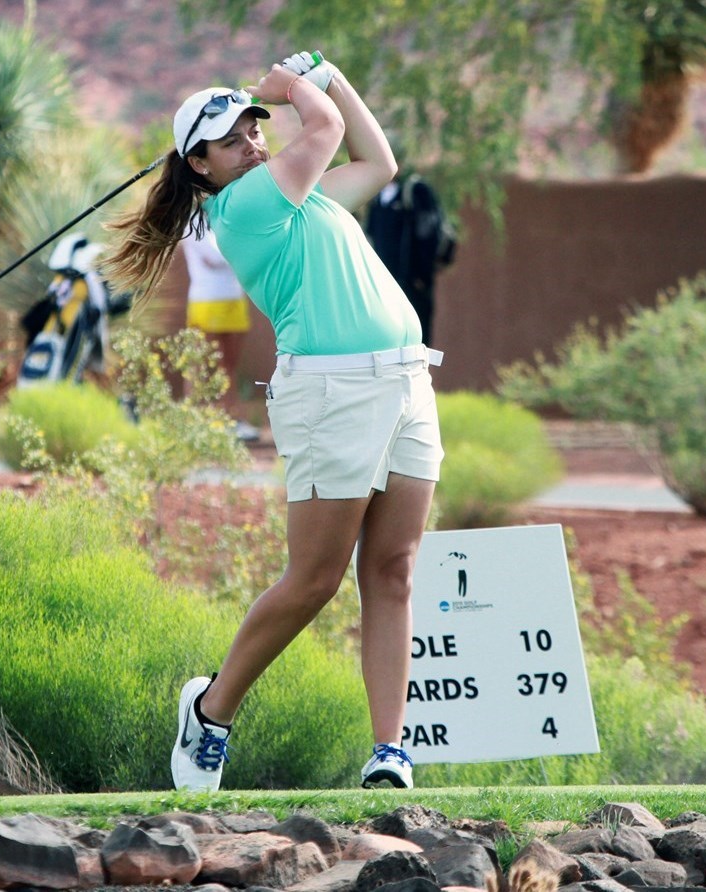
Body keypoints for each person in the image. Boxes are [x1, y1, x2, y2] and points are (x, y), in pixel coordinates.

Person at [101, 50, 443, 792]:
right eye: (232, 139)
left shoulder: (300, 196)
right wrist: (291, 87)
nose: (253, 141)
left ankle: (390, 750)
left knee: (393, 570)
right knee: (315, 579)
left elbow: (376, 160)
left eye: (254, 127)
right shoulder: (247, 206)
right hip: (331, 395)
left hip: (407, 381)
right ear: (200, 166)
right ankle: (213, 709)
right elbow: (319, 130)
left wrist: (333, 73)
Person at [178, 224, 259, 441]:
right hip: (206, 301)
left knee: (229, 366)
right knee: (199, 364)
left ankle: (233, 420)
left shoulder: (227, 215)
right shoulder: (192, 221)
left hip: (234, 299)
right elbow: (215, 256)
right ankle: (194, 422)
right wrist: (240, 253)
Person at [364, 169, 455, 346]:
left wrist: (421, 276)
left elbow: (428, 234)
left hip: (414, 285)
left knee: (418, 344)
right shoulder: (376, 199)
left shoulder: (416, 192)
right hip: (384, 287)